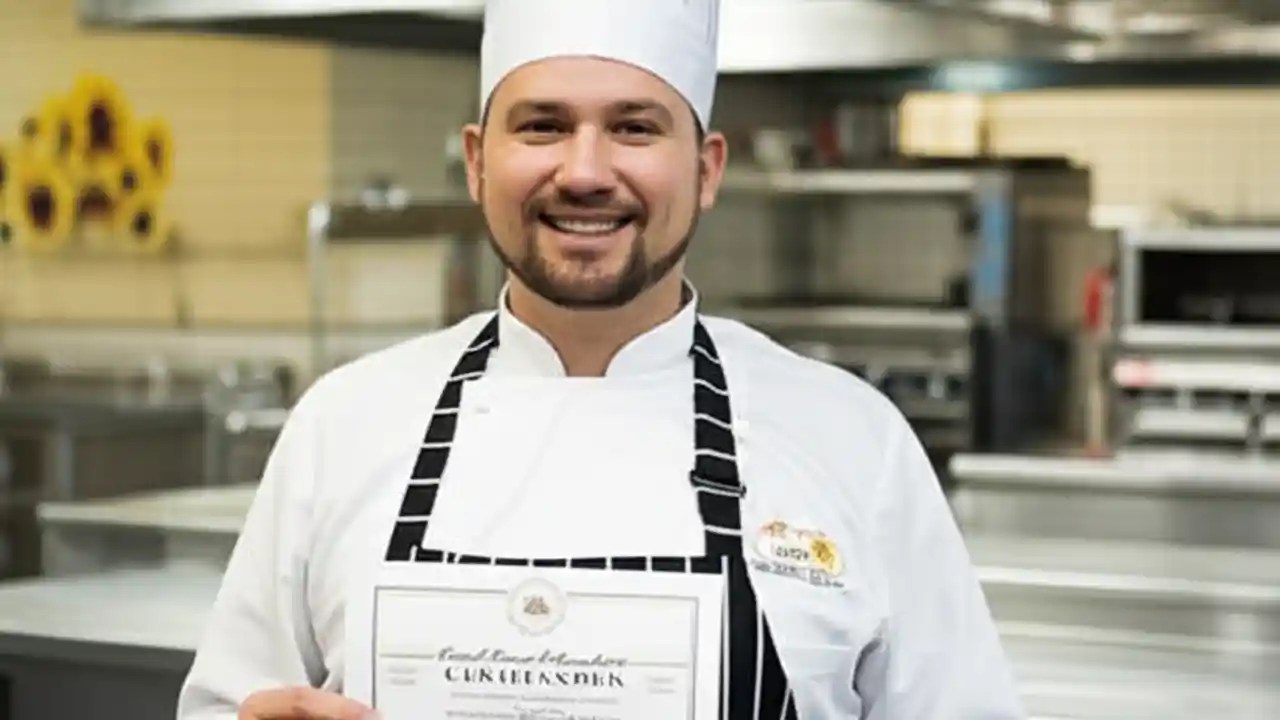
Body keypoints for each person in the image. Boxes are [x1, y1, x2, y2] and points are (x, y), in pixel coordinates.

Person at [176, 1, 1024, 718]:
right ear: (477, 161)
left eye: (633, 127)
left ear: (706, 168)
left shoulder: (852, 440)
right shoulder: (344, 422)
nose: (584, 172)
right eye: (543, 125)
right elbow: (227, 702)